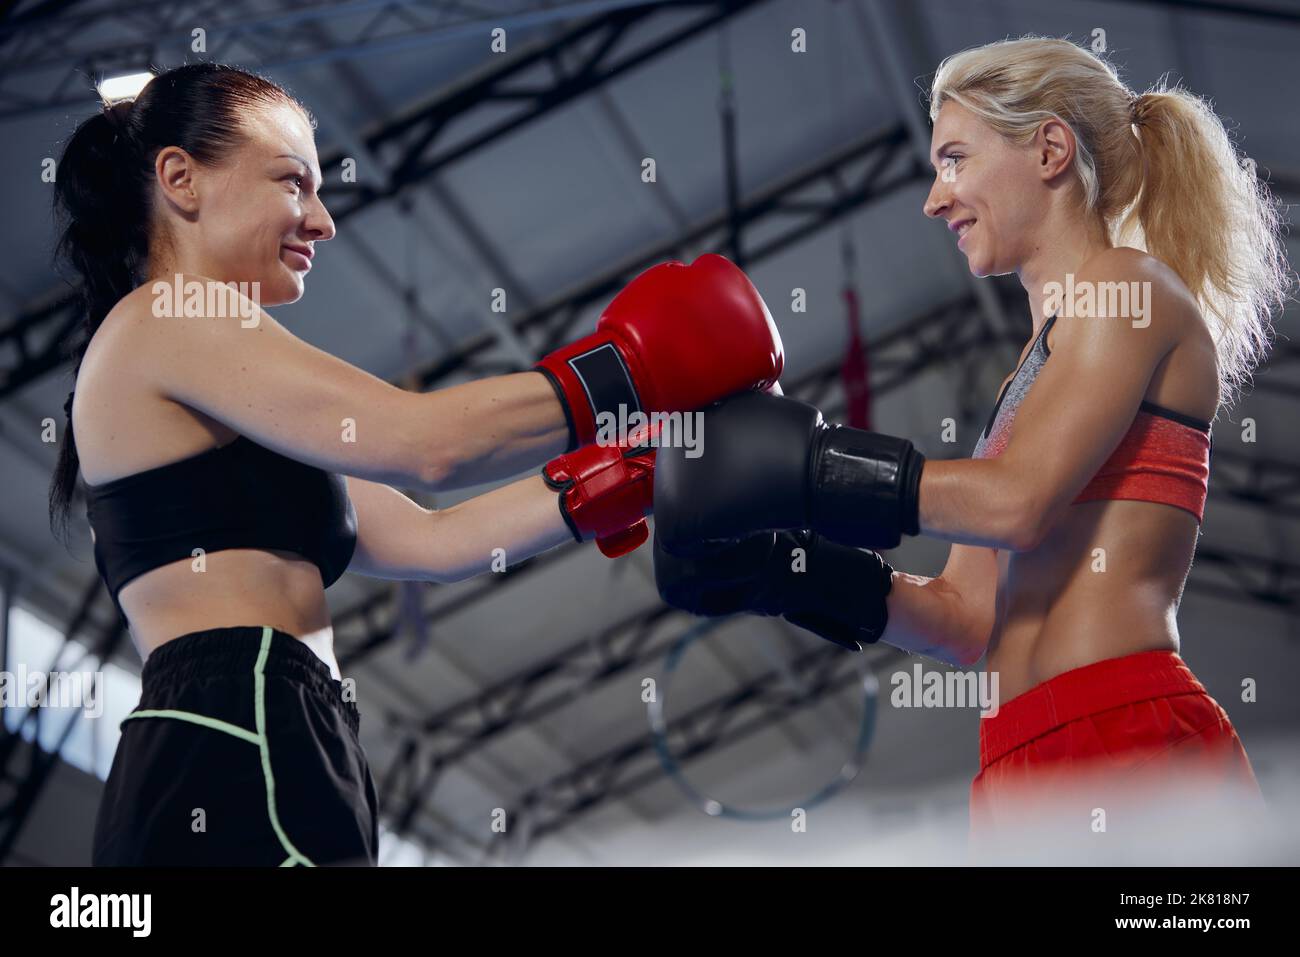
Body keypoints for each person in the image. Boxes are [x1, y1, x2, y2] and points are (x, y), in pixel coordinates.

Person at [49, 63, 783, 865]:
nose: (323, 221)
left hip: (276, 727)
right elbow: (429, 443)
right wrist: (633, 369)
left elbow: (433, 540)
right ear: (180, 179)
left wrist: (644, 468)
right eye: (293, 183)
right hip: (234, 736)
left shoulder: (218, 369)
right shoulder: (167, 317)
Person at [650, 37, 1290, 848]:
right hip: (1015, 763)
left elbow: (1020, 503)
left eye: (955, 159)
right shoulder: (1028, 374)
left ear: (1050, 150)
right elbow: (963, 619)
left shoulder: (1129, 289)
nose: (933, 198)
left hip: (1125, 736)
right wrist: (786, 570)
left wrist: (805, 469)